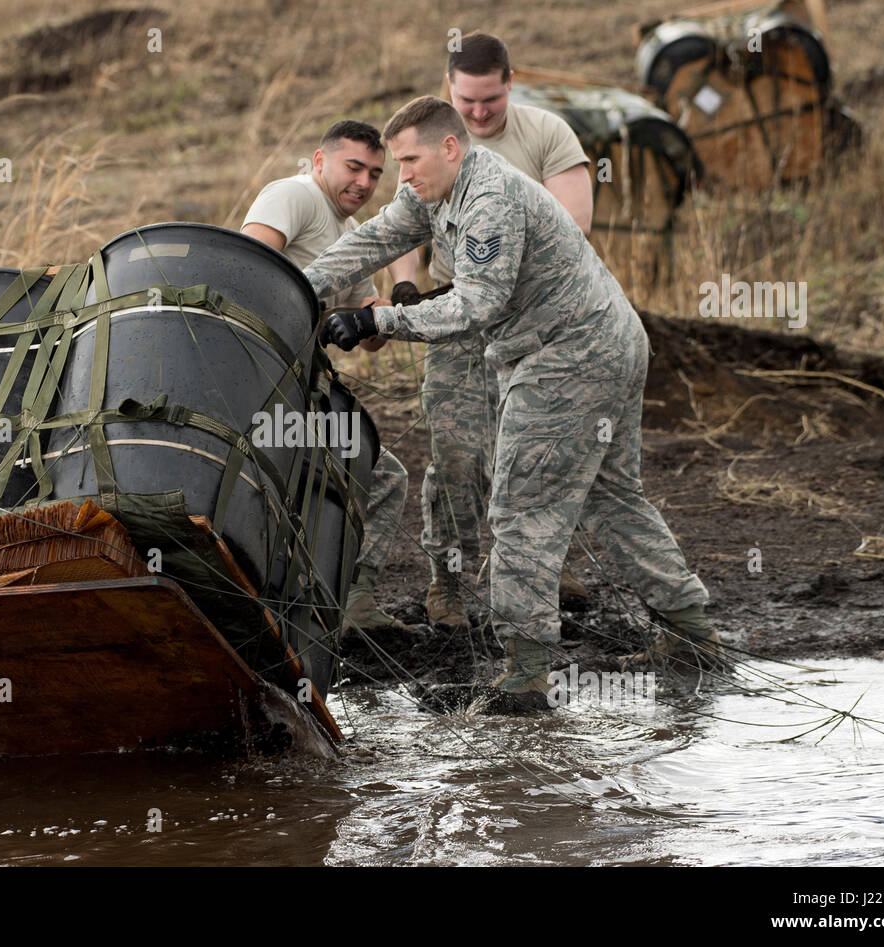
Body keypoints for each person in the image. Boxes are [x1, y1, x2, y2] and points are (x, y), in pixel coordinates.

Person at [304, 97, 723, 710]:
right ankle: (692, 635)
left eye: (411, 160)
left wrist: (378, 320)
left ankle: (528, 675)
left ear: (451, 148)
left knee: (521, 505)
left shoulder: (489, 200)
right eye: (397, 164)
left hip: (573, 353)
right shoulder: (432, 192)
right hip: (596, 343)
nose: (403, 177)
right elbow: (376, 238)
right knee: (613, 498)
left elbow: (476, 305)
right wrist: (295, 284)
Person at [388, 32, 593, 630]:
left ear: (511, 81)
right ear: (449, 89)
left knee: (533, 447)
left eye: (490, 102)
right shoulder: (429, 139)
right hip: (455, 315)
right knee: (454, 453)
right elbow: (403, 226)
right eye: (466, 101)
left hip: (532, 316)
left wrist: (499, 279)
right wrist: (406, 287)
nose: (478, 114)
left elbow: (574, 225)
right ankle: (447, 585)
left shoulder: (548, 135)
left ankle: (544, 565)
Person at [242, 119, 413, 636]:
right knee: (366, 479)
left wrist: (382, 311)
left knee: (382, 477)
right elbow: (249, 268)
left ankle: (353, 603)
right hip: (259, 386)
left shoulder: (352, 238)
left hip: (302, 392)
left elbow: (371, 334)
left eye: (375, 174)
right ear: (320, 161)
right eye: (353, 167)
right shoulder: (293, 196)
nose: (363, 182)